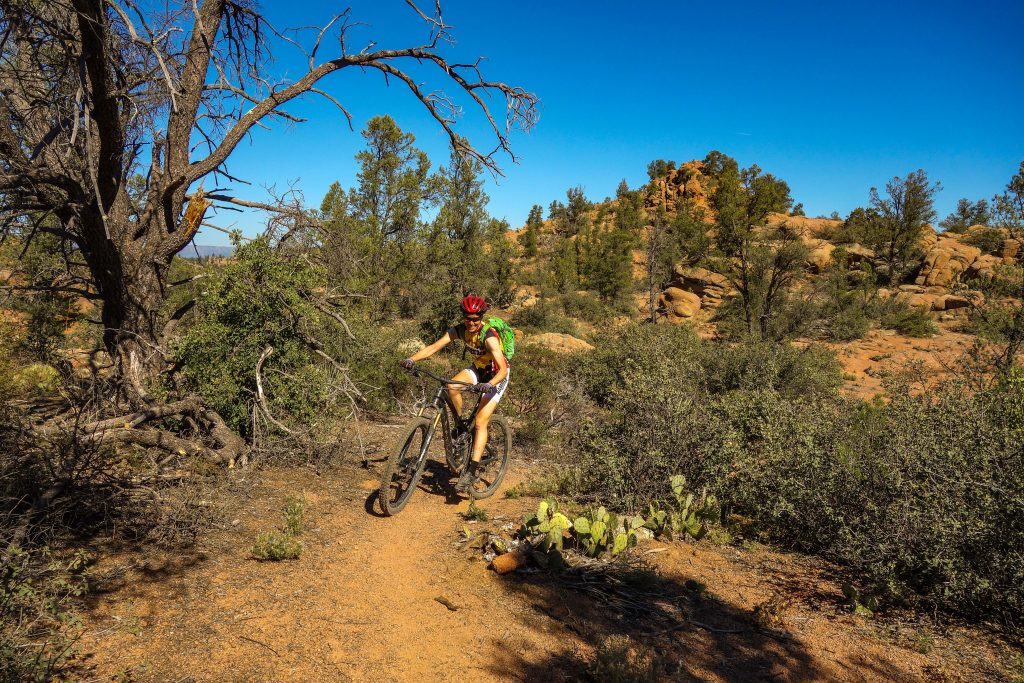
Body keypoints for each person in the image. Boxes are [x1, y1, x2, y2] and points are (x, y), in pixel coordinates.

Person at [399, 295, 510, 492]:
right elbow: (434, 347)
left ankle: (471, 471)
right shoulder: (459, 330)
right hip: (478, 369)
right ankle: (460, 427)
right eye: (468, 318)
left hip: (497, 376)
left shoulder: (489, 336)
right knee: (452, 387)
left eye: (476, 319)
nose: (472, 322)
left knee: (480, 421)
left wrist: (489, 384)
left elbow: (502, 369)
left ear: (481, 317)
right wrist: (412, 359)